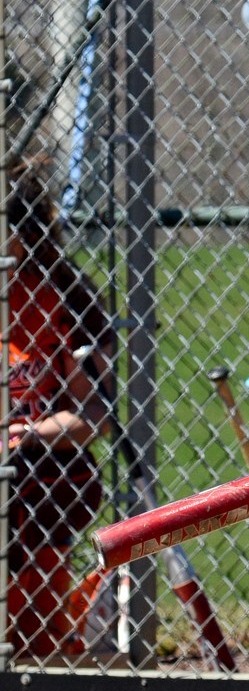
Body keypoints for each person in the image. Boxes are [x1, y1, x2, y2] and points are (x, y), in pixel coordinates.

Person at [4, 157, 112, 658]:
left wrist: (29, 433)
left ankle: (38, 644)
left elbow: (95, 415)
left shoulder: (64, 297)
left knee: (51, 490)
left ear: (21, 235)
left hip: (41, 468)